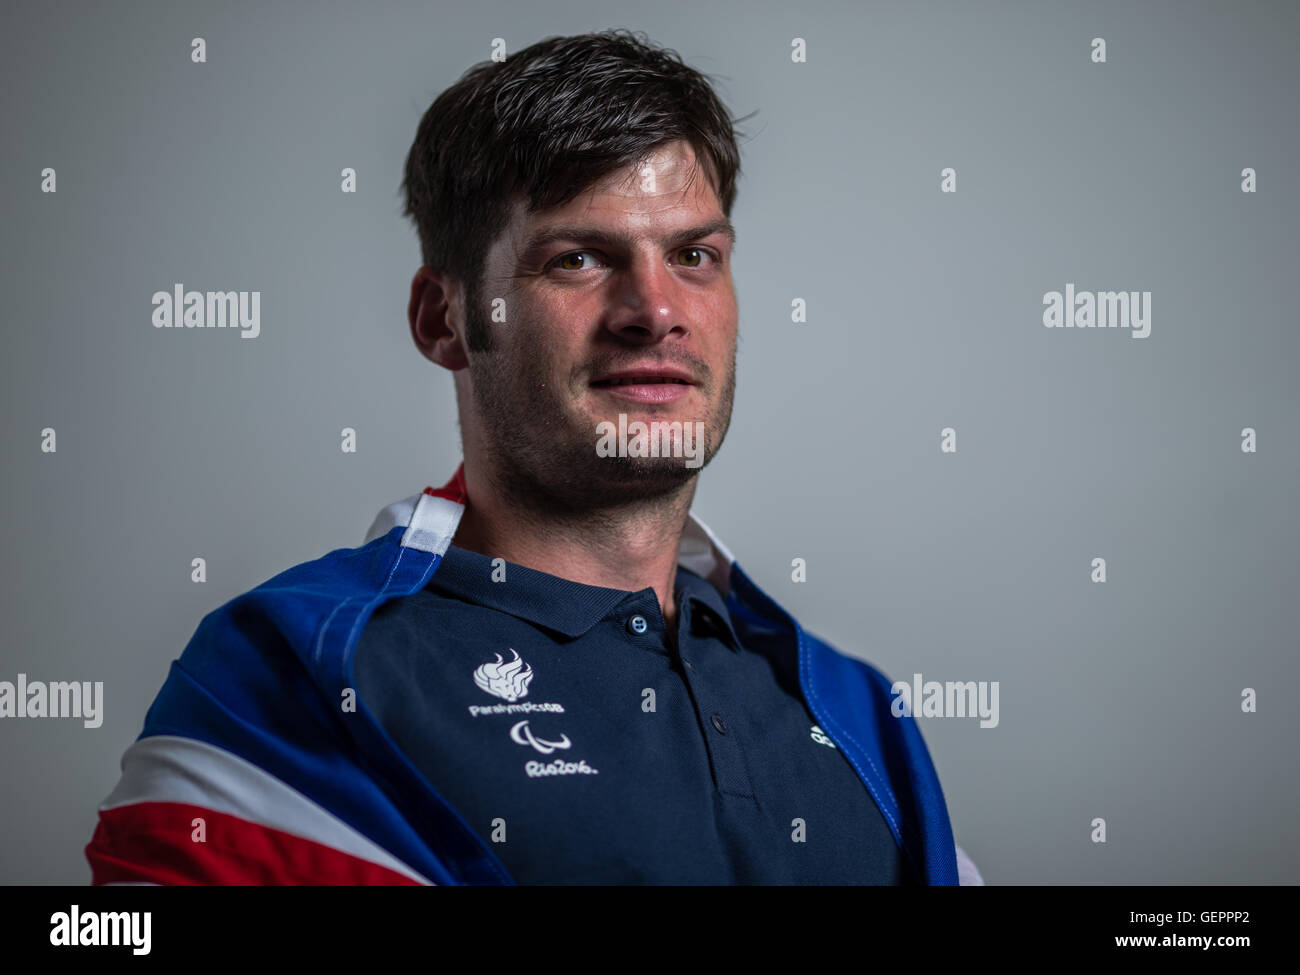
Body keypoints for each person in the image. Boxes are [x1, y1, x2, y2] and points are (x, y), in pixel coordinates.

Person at [85, 29, 982, 886]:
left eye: (694, 254)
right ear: (446, 320)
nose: (655, 309)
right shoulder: (294, 669)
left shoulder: (860, 713)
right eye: (580, 257)